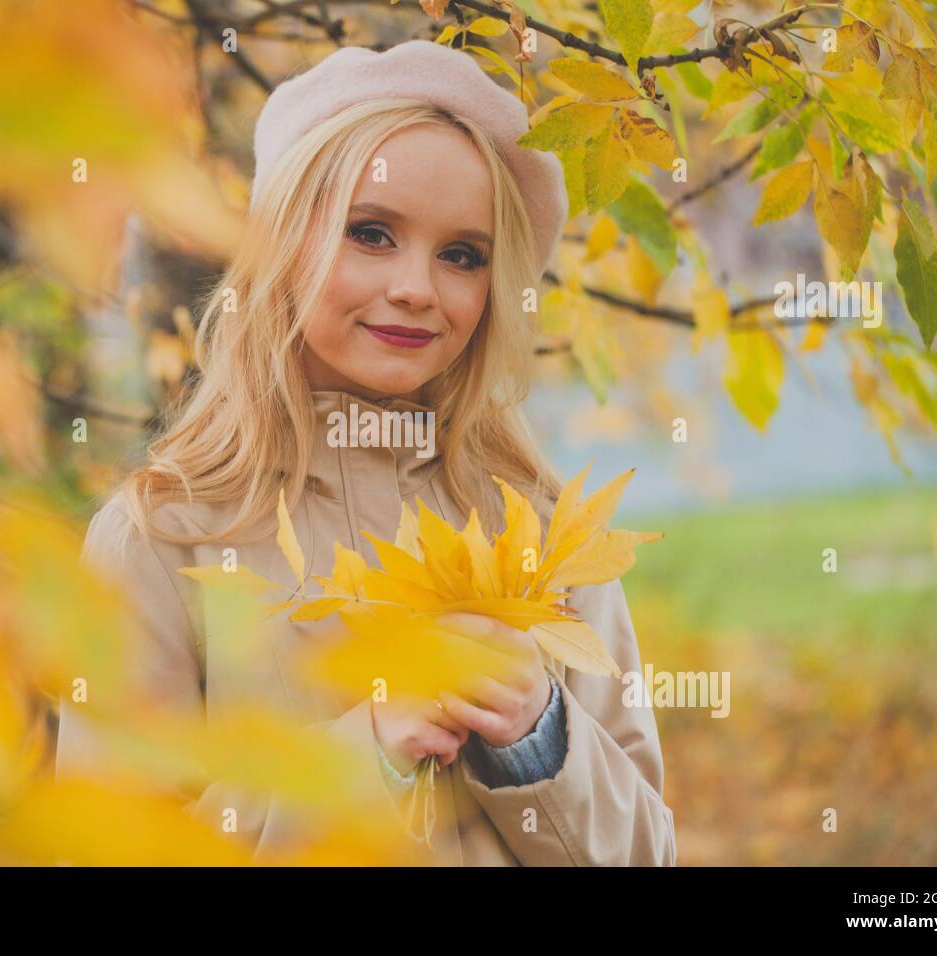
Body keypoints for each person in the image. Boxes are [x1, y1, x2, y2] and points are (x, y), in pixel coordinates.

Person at [57, 39, 676, 866]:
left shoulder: (543, 532)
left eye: (463, 254)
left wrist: (539, 735)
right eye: (372, 234)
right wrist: (358, 759)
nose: (418, 286)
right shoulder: (166, 536)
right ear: (286, 247)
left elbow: (645, 854)